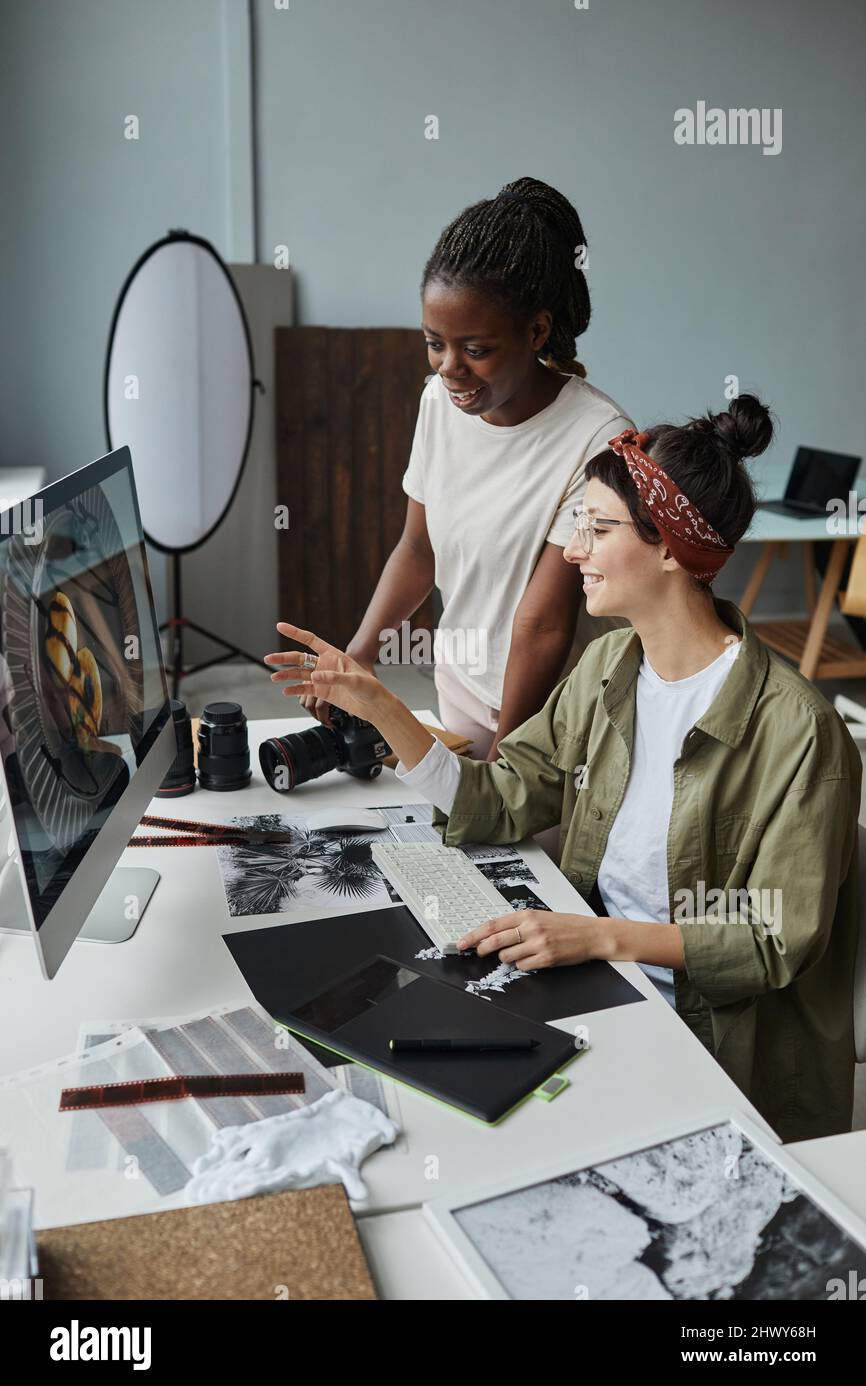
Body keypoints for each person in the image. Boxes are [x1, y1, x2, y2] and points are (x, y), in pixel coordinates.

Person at [264, 395, 861, 1144]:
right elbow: (502, 795)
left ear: (672, 549)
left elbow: (773, 936)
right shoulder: (610, 664)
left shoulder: (798, 731)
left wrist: (602, 937)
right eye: (580, 523)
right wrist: (383, 707)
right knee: (385, 1064)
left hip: (712, 1032)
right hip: (599, 976)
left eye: (598, 527)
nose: (575, 549)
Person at [299, 176, 633, 759]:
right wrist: (359, 657)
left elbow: (543, 624)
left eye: (476, 350)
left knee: (526, 850)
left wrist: (508, 764)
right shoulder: (440, 403)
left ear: (536, 331)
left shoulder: (597, 439)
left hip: (550, 714)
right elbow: (419, 549)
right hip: (459, 687)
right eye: (435, 343)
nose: (450, 369)